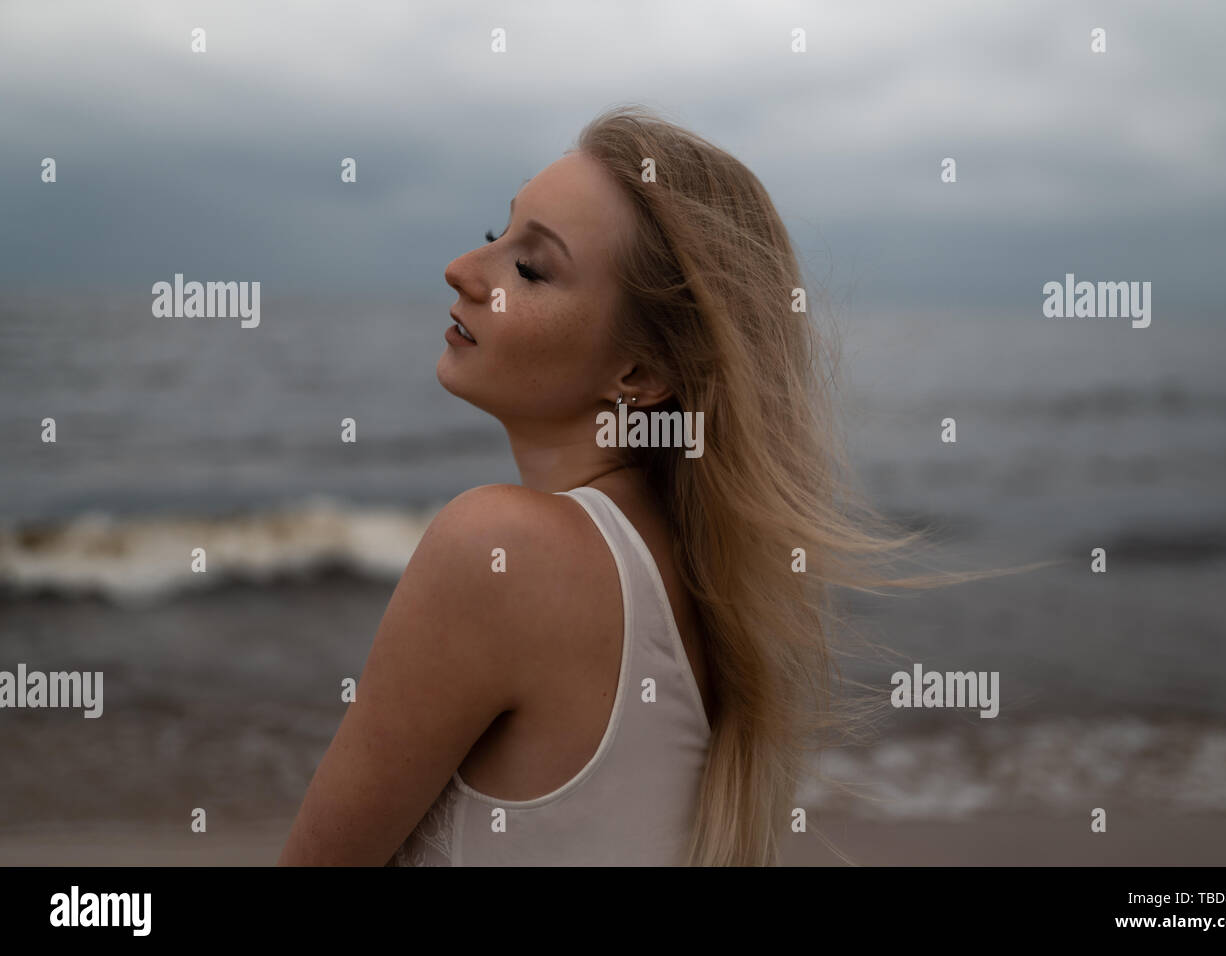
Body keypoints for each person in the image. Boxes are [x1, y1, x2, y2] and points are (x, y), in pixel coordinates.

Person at [279, 104, 991, 867]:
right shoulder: (696, 586)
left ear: (640, 374)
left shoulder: (502, 550)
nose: (463, 268)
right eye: (498, 235)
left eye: (530, 268)